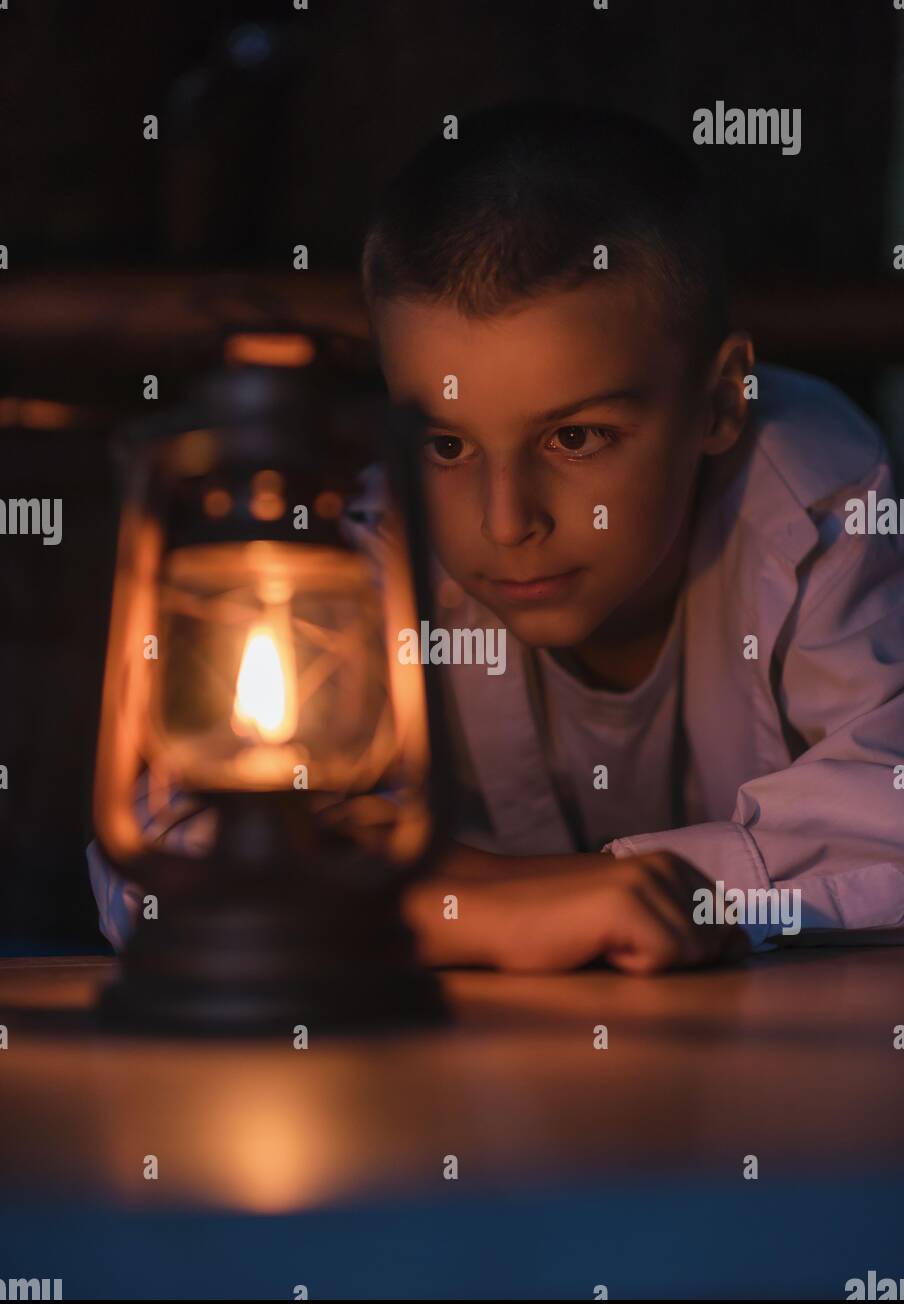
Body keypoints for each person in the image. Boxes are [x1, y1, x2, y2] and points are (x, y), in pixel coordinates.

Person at [89, 100, 904, 974]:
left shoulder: (813, 500)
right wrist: (485, 911)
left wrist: (525, 895)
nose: (506, 521)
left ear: (718, 401)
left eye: (576, 437)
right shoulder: (367, 534)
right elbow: (160, 862)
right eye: (446, 444)